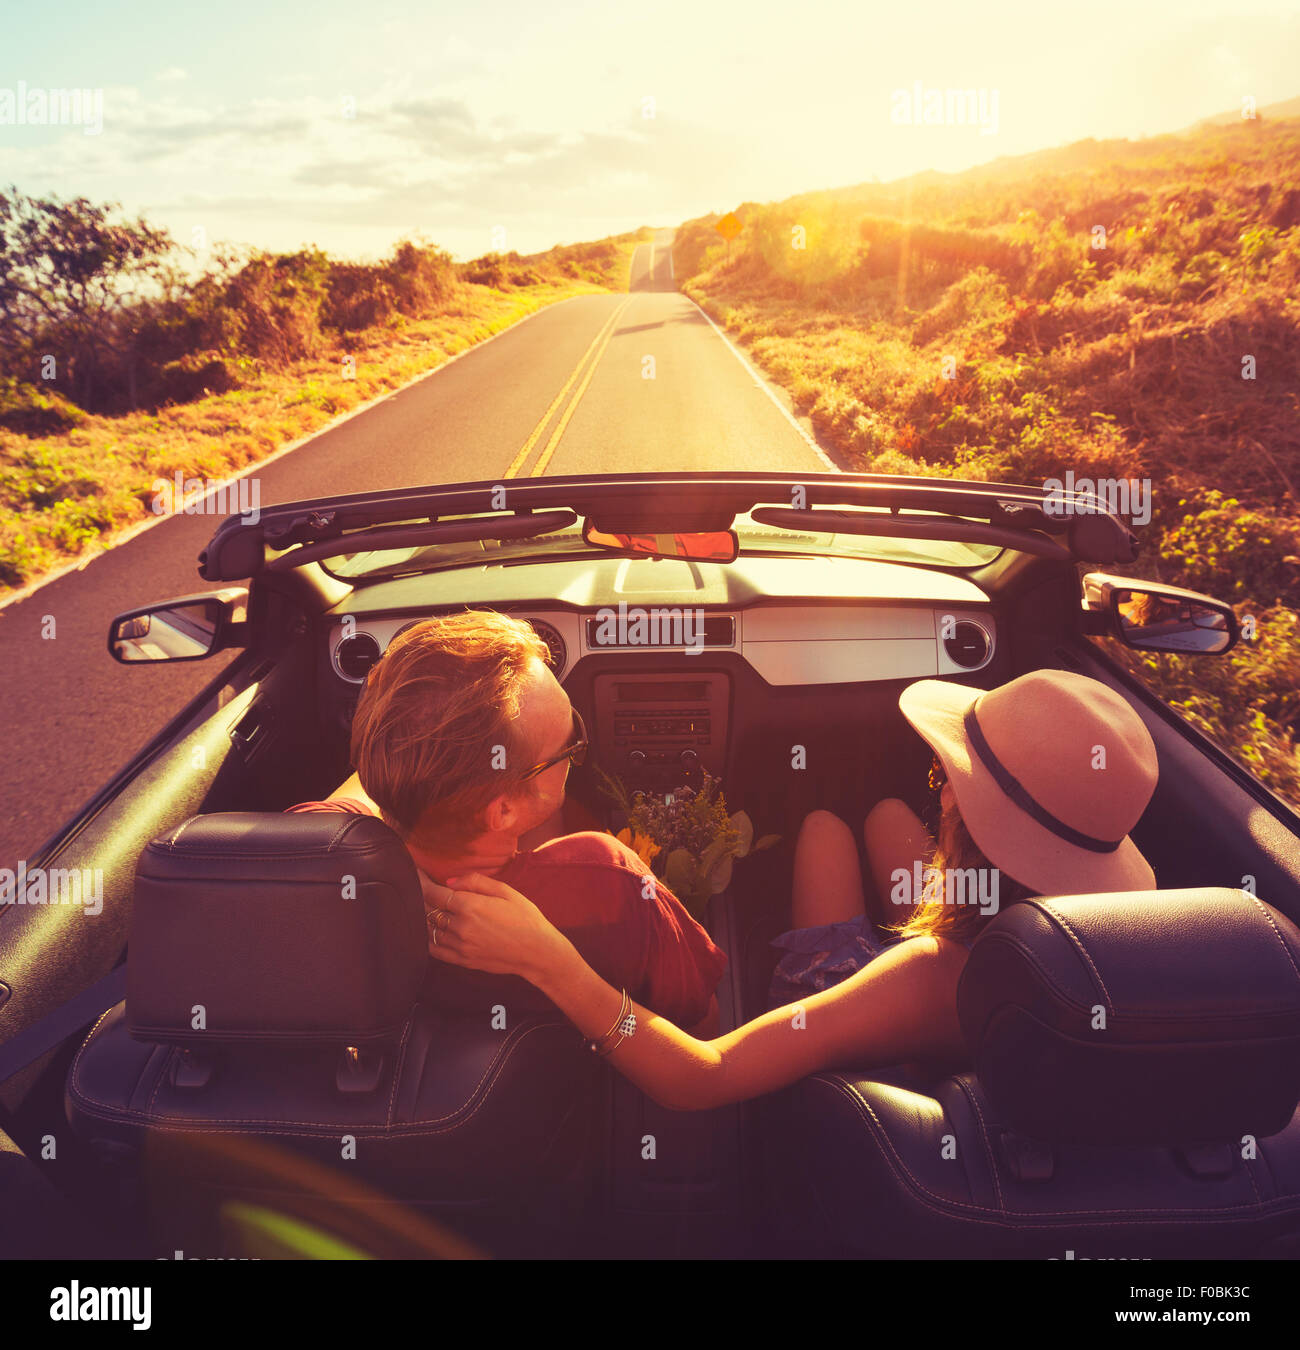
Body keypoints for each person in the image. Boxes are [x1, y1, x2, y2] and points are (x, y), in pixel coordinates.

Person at [425, 669, 1160, 1109]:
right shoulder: (1134, 943)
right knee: (878, 819)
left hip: (876, 1045)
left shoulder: (929, 978)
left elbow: (701, 1077)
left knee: (820, 833)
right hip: (966, 1045)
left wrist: (552, 962)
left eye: (945, 782)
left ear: (966, 819)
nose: (939, 793)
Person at [287, 610, 726, 1035]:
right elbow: (702, 1025)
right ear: (502, 813)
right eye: (570, 743)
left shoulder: (310, 855)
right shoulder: (608, 880)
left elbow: (361, 790)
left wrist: (403, 741)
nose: (576, 743)